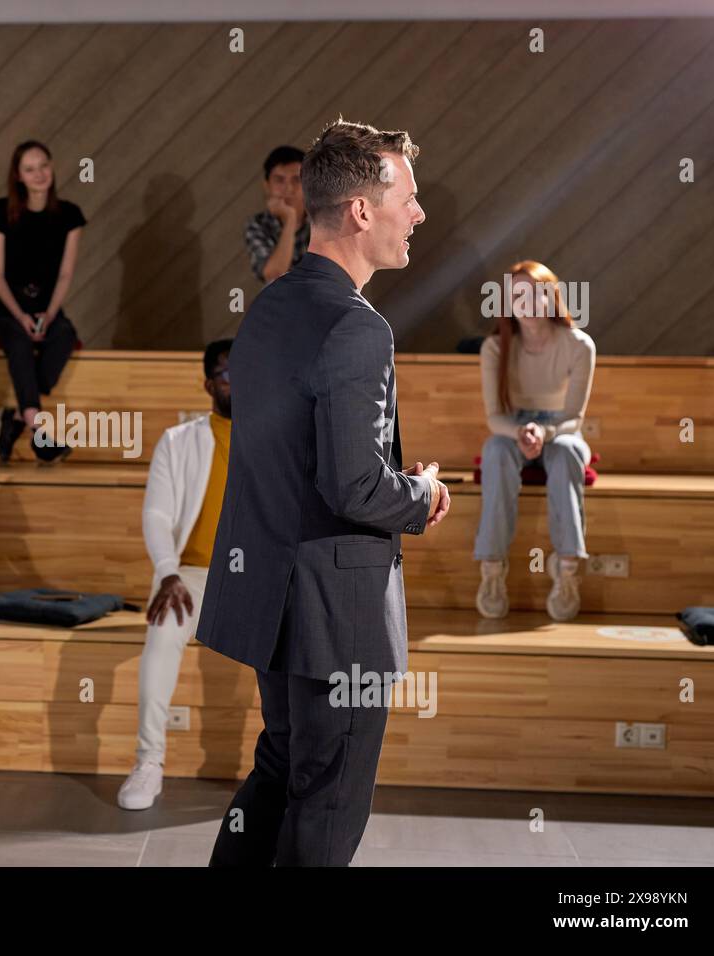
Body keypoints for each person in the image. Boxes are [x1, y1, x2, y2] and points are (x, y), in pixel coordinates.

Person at [195, 119, 450, 866]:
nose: (419, 213)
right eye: (408, 196)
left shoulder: (270, 307)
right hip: (333, 616)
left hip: (271, 600)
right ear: (363, 210)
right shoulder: (357, 327)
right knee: (329, 798)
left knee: (281, 767)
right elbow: (355, 485)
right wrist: (423, 495)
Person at [118, 339, 233, 811]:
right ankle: (149, 761)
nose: (239, 380)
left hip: (259, 577)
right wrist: (167, 573)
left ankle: (289, 767)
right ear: (208, 384)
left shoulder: (277, 436)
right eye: (227, 373)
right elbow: (158, 516)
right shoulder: (179, 440)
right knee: (163, 634)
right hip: (191, 575)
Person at [475, 260, 596, 622]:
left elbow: (575, 418)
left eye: (534, 293)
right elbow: (494, 417)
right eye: (516, 295)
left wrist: (544, 432)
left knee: (568, 452)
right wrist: (521, 432)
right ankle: (493, 570)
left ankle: (567, 569)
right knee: (494, 450)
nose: (525, 302)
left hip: (560, 431)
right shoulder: (495, 347)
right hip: (513, 429)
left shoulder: (579, 345)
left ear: (552, 297)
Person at [0, 140, 86, 464]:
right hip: (8, 310)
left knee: (65, 336)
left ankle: (17, 417)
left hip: (49, 308)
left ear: (52, 167)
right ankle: (38, 432)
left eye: (43, 166)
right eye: (30, 169)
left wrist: (49, 314)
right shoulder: (2, 211)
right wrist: (22, 316)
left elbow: (66, 274)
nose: (39, 174)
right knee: (18, 341)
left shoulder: (69, 215)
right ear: (18, 176)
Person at [244, 145, 310, 283]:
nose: (289, 189)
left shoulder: (323, 219)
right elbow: (274, 274)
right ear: (267, 185)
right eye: (279, 180)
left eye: (296, 180)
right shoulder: (258, 225)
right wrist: (290, 220)